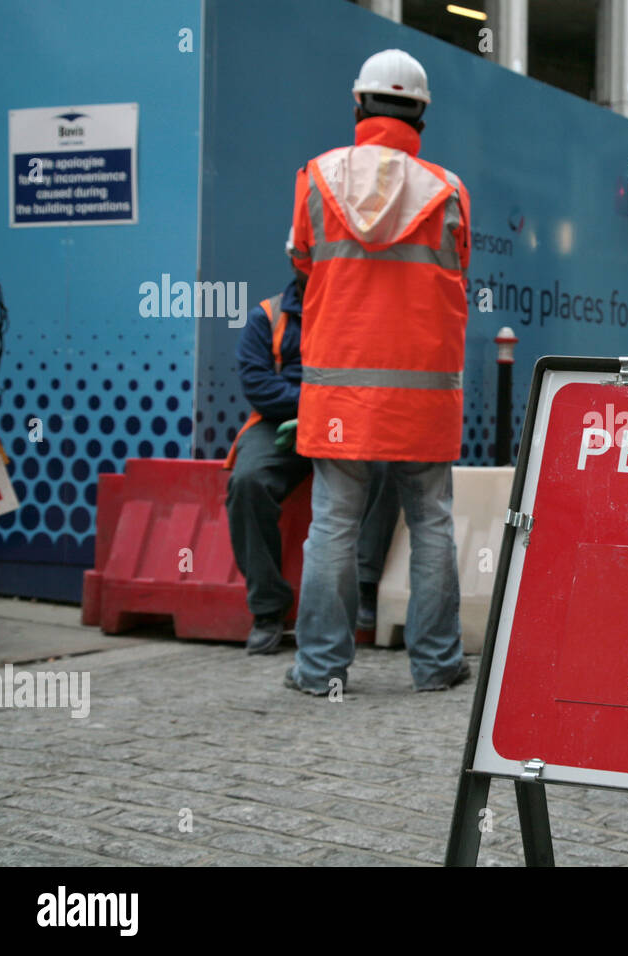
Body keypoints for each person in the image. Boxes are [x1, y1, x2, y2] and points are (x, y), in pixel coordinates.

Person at [284, 49, 471, 696]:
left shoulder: (315, 179)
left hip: (342, 392)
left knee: (333, 523)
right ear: (421, 113)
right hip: (423, 395)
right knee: (433, 522)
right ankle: (437, 664)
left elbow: (304, 265)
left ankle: (320, 669)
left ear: (359, 105)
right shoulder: (449, 192)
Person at [224, 237, 397, 655]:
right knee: (248, 482)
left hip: (342, 418)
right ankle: (268, 609)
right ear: (294, 261)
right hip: (280, 423)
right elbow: (258, 387)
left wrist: (330, 405)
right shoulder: (266, 316)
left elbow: (370, 375)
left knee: (386, 466)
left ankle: (363, 589)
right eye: (306, 257)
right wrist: (311, 402)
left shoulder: (355, 313)